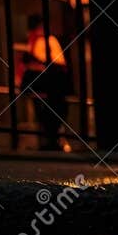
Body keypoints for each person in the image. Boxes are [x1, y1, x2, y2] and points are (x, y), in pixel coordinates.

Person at [16, 14, 70, 151]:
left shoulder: (47, 41)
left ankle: (51, 138)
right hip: (42, 84)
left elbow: (56, 64)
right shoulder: (37, 41)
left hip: (47, 83)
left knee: (48, 111)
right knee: (43, 111)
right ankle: (48, 138)